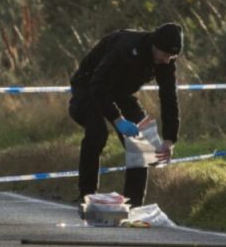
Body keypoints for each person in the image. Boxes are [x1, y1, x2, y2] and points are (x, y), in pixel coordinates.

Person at [68, 23, 183, 208]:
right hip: (89, 86)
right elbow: (98, 85)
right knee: (97, 133)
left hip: (120, 92)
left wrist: (170, 139)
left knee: (141, 142)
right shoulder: (126, 47)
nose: (167, 60)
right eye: (165, 55)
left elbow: (169, 97)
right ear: (155, 45)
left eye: (172, 57)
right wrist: (118, 119)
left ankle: (133, 204)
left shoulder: (166, 61)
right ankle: (86, 194)